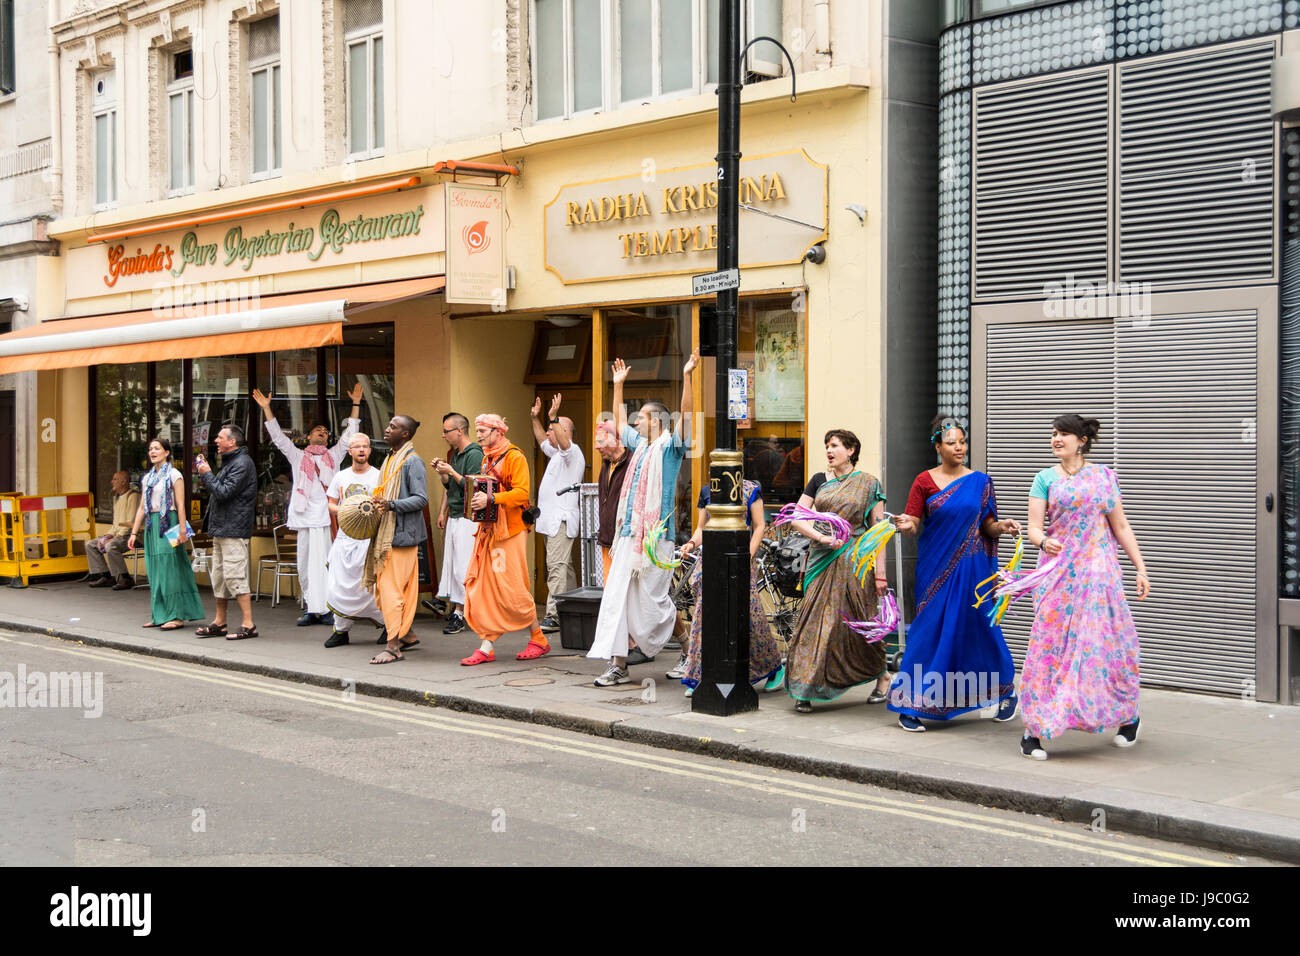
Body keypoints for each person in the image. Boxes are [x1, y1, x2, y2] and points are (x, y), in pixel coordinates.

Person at [1019, 415, 1149, 760]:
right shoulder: (1044, 478)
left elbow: (1120, 525)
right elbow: (1033, 528)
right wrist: (1044, 540)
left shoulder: (1104, 477)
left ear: (1082, 440)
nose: (1056, 439)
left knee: (1106, 646)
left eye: (1063, 434)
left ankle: (1127, 716)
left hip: (1098, 574)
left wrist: (1140, 567)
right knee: (1048, 648)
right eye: (1053, 434)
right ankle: (1034, 729)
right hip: (1057, 575)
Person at [888, 416, 1021, 731]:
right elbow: (913, 521)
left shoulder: (980, 482)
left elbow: (987, 524)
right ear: (938, 447)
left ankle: (1005, 692)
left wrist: (1002, 526)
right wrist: (905, 524)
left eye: (962, 442)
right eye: (952, 442)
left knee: (982, 629)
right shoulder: (924, 481)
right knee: (928, 630)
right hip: (936, 570)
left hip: (973, 571)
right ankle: (910, 704)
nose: (959, 447)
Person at [587, 349, 698, 687]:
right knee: (618, 598)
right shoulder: (641, 448)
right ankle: (618, 664)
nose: (635, 423)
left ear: (658, 422)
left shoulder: (671, 447)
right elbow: (620, 423)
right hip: (627, 534)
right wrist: (618, 385)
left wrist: (689, 376)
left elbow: (688, 415)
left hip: (656, 539)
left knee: (654, 602)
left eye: (642, 418)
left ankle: (689, 649)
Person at [784, 429, 891, 713]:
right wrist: (820, 537)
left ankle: (882, 677)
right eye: (827, 446)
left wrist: (880, 574)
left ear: (851, 450)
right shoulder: (819, 481)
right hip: (821, 558)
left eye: (835, 446)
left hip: (856, 561)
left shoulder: (868, 484)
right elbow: (797, 517)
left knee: (858, 621)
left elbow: (879, 532)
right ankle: (805, 686)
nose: (829, 451)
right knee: (814, 622)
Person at [252, 382, 363, 626]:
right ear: (308, 436)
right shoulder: (298, 456)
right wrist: (266, 409)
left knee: (326, 565)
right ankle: (311, 608)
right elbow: (279, 438)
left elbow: (350, 436)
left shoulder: (333, 455)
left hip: (326, 518)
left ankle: (327, 609)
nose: (323, 432)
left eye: (325, 430)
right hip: (304, 518)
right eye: (318, 430)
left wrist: (355, 404)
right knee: (305, 565)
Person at [676, 477, 783, 696]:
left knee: (748, 616)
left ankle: (773, 668)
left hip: (740, 556)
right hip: (711, 560)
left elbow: (760, 525)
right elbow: (700, 529)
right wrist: (691, 544)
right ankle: (700, 675)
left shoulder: (751, 491)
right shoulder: (707, 492)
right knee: (705, 616)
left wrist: (747, 556)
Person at [460, 414, 550, 665]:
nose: (478, 435)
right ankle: (487, 645)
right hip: (490, 531)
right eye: (477, 431)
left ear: (498, 432)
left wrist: (491, 500)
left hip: (509, 532)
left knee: (509, 586)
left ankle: (538, 638)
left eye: (483, 431)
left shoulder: (515, 456)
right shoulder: (487, 457)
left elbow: (521, 492)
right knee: (487, 587)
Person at [126, 438, 205, 631]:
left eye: (157, 448)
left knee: (170, 570)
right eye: (150, 449)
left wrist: (183, 530)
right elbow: (142, 508)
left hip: (168, 523)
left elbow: (180, 504)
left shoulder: (174, 475)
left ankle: (175, 615)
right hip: (152, 526)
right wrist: (134, 532)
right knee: (155, 571)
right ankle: (159, 614)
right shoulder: (147, 478)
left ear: (167, 452)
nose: (153, 452)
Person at [366, 416, 428, 664]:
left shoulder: (413, 462)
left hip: (401, 536)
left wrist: (391, 504)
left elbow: (421, 499)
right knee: (385, 591)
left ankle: (393, 646)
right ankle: (407, 635)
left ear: (405, 434)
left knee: (392, 593)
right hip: (388, 533)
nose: (387, 429)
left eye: (393, 426)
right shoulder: (391, 457)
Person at [194, 424, 259, 639]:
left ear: (232, 442)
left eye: (220, 437)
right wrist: (209, 475)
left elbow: (223, 493)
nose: (216, 441)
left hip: (234, 529)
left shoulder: (242, 463)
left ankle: (248, 624)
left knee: (235, 575)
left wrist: (206, 473)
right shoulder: (232, 462)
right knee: (221, 577)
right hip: (223, 528)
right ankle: (220, 622)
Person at [322, 433, 386, 647]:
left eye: (365, 446)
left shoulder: (379, 476)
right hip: (345, 540)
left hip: (369, 540)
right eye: (357, 446)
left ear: (369, 450)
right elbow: (330, 503)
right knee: (339, 585)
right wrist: (345, 511)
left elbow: (383, 505)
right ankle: (341, 631)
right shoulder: (341, 477)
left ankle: (387, 626)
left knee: (371, 587)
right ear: (349, 451)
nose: (361, 450)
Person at [531, 394, 585, 632]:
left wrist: (552, 417)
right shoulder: (556, 455)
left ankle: (553, 615)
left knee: (557, 566)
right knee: (565, 567)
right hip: (550, 522)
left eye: (553, 429)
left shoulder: (571, 452)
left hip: (560, 521)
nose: (549, 433)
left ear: (564, 431)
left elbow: (560, 442)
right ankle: (572, 609)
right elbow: (544, 440)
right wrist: (536, 418)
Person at [430, 413, 484, 635]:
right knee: (453, 565)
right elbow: (450, 485)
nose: (443, 435)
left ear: (459, 431)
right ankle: (455, 607)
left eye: (446, 431)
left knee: (463, 566)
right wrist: (443, 473)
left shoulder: (474, 453)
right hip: (454, 514)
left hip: (468, 516)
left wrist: (450, 471)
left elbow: (472, 485)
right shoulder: (456, 454)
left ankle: (462, 612)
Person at [87, 470, 140, 590]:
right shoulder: (117, 498)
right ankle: (105, 576)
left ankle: (125, 578)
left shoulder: (133, 496)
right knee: (91, 545)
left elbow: (130, 522)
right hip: (119, 535)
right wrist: (108, 536)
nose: (112, 482)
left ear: (123, 481)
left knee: (110, 546)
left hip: (132, 535)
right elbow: (116, 524)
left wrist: (115, 537)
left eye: (115, 479)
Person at [593, 420, 632, 583]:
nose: (597, 447)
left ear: (616, 439)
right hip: (608, 539)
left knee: (623, 590)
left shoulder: (632, 463)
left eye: (600, 441)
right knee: (609, 588)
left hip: (625, 542)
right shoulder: (606, 465)